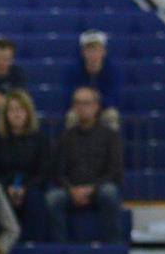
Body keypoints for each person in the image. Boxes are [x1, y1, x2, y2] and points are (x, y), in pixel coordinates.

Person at [50, 87, 124, 243]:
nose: (82, 107)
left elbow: (114, 171)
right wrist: (72, 190)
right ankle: (61, 249)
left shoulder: (110, 136)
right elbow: (57, 172)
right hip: (71, 190)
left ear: (96, 106)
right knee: (53, 199)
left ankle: (113, 247)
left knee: (110, 193)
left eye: (86, 103)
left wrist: (92, 189)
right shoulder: (65, 137)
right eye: (78, 103)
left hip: (99, 188)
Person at [0, 89, 54, 239]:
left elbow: (45, 171)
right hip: (3, 188)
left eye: (21, 109)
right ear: (5, 114)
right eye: (12, 110)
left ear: (28, 112)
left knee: (35, 199)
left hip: (32, 188)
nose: (17, 114)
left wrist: (25, 188)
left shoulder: (40, 139)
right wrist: (7, 187)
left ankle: (34, 245)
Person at [65, 32, 124, 117]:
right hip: (80, 108)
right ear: (83, 52)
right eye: (89, 50)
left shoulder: (113, 71)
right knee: (71, 116)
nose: (93, 54)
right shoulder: (72, 70)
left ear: (104, 51)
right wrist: (85, 104)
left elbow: (115, 99)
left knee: (112, 115)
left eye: (97, 49)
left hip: (103, 108)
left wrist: (93, 102)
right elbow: (68, 97)